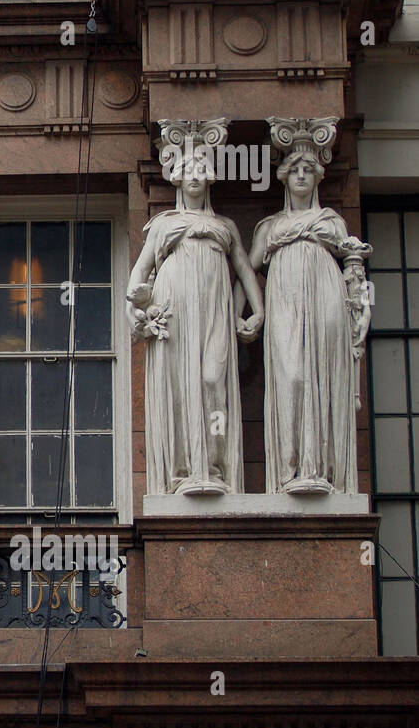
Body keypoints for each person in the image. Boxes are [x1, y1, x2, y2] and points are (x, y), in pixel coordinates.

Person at [127, 120, 264, 495]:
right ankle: (186, 468)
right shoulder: (163, 225)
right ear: (177, 179)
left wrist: (258, 309)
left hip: (214, 313)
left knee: (211, 381)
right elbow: (139, 272)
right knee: (179, 385)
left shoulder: (225, 226)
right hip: (176, 310)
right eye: (187, 171)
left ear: (209, 180)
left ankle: (216, 467)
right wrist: (136, 309)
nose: (194, 177)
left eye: (201, 171)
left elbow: (245, 269)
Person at [251, 118, 371, 494]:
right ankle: (289, 470)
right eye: (295, 170)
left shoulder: (332, 222)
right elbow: (248, 266)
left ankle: (318, 468)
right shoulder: (270, 226)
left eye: (309, 170)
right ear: (284, 177)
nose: (302, 175)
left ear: (318, 178)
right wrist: (249, 312)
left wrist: (358, 295)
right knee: (293, 376)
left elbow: (353, 268)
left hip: (324, 299)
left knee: (320, 377)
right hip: (284, 299)